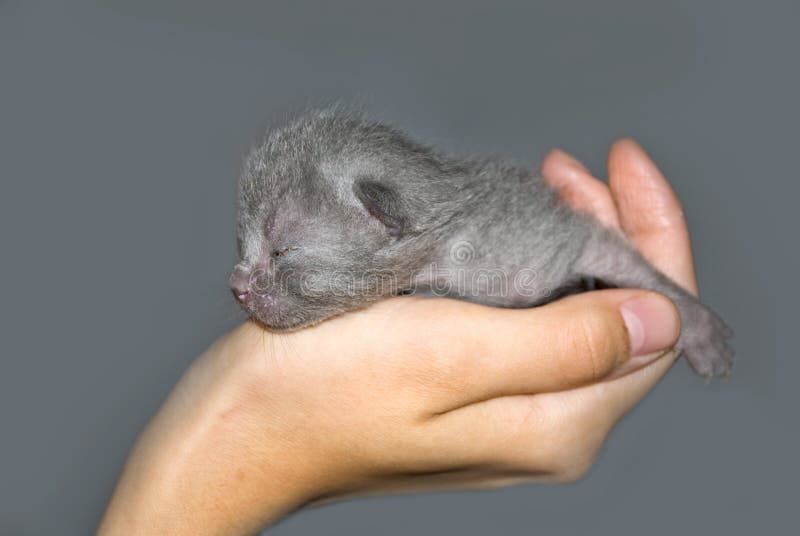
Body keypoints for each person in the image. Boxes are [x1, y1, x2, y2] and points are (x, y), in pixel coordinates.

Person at [98, 139, 695, 535]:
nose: (238, 279)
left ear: (381, 220)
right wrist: (244, 438)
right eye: (247, 245)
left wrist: (683, 315)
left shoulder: (495, 247)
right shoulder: (403, 261)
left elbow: (586, 247)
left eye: (281, 252)